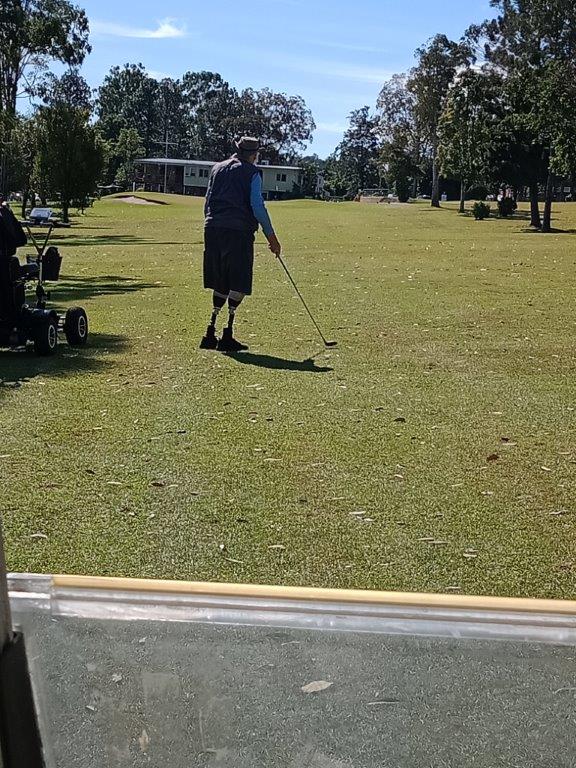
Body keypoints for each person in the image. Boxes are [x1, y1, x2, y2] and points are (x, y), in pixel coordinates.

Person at [201, 136, 282, 352]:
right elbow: (257, 206)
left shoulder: (217, 168)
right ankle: (227, 334)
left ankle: (210, 333)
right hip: (238, 232)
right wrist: (272, 238)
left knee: (220, 278)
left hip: (213, 228)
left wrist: (211, 223)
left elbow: (207, 201)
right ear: (254, 155)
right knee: (238, 280)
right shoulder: (252, 173)